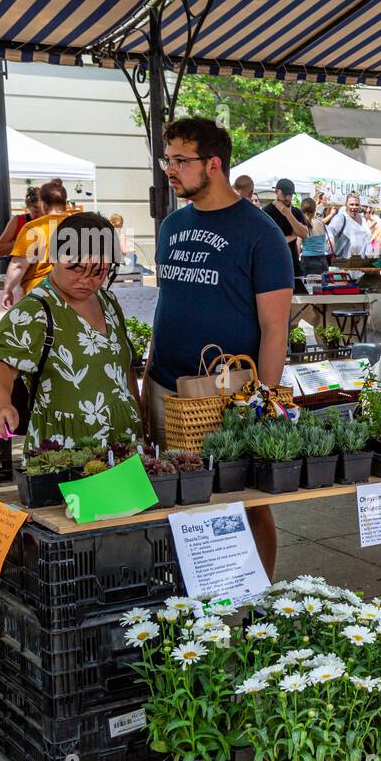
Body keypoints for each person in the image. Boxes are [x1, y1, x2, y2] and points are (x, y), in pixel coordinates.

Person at [147, 117, 292, 577]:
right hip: (164, 386)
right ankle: (181, 601)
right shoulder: (171, 226)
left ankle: (258, 603)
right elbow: (164, 308)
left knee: (245, 502)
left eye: (179, 160)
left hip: (228, 393)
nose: (169, 169)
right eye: (167, 159)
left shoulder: (260, 232)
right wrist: (145, 382)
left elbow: (275, 328)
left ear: (213, 164)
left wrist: (262, 402)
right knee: (169, 498)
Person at [0, 212, 142, 451]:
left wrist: (140, 419)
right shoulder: (35, 310)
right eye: (75, 268)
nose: (86, 280)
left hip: (123, 441)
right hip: (65, 449)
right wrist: (0, 403)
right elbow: (0, 363)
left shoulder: (107, 300)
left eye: (98, 272)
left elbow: (124, 366)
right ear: (53, 257)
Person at [2, 179, 70, 306]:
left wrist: (8, 290)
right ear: (65, 202)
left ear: (43, 204)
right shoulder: (82, 225)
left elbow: (18, 265)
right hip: (75, 293)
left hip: (41, 294)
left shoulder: (34, 227)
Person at [264, 178, 309, 268]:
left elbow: (305, 234)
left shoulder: (296, 212)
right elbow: (268, 241)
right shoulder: (266, 212)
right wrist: (292, 236)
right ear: (276, 191)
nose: (288, 198)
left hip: (292, 262)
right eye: (285, 194)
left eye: (291, 194)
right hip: (273, 262)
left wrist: (288, 214)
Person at [325, 192, 370, 260]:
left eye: (357, 205)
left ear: (360, 206)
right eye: (351, 204)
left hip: (361, 261)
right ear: (346, 205)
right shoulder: (341, 217)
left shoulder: (362, 219)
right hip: (344, 262)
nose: (354, 207)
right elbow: (329, 230)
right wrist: (330, 238)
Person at [298, 197, 330, 280]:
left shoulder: (301, 226)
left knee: (310, 289)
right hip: (322, 260)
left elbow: (297, 249)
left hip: (307, 261)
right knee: (323, 288)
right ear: (315, 210)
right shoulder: (321, 223)